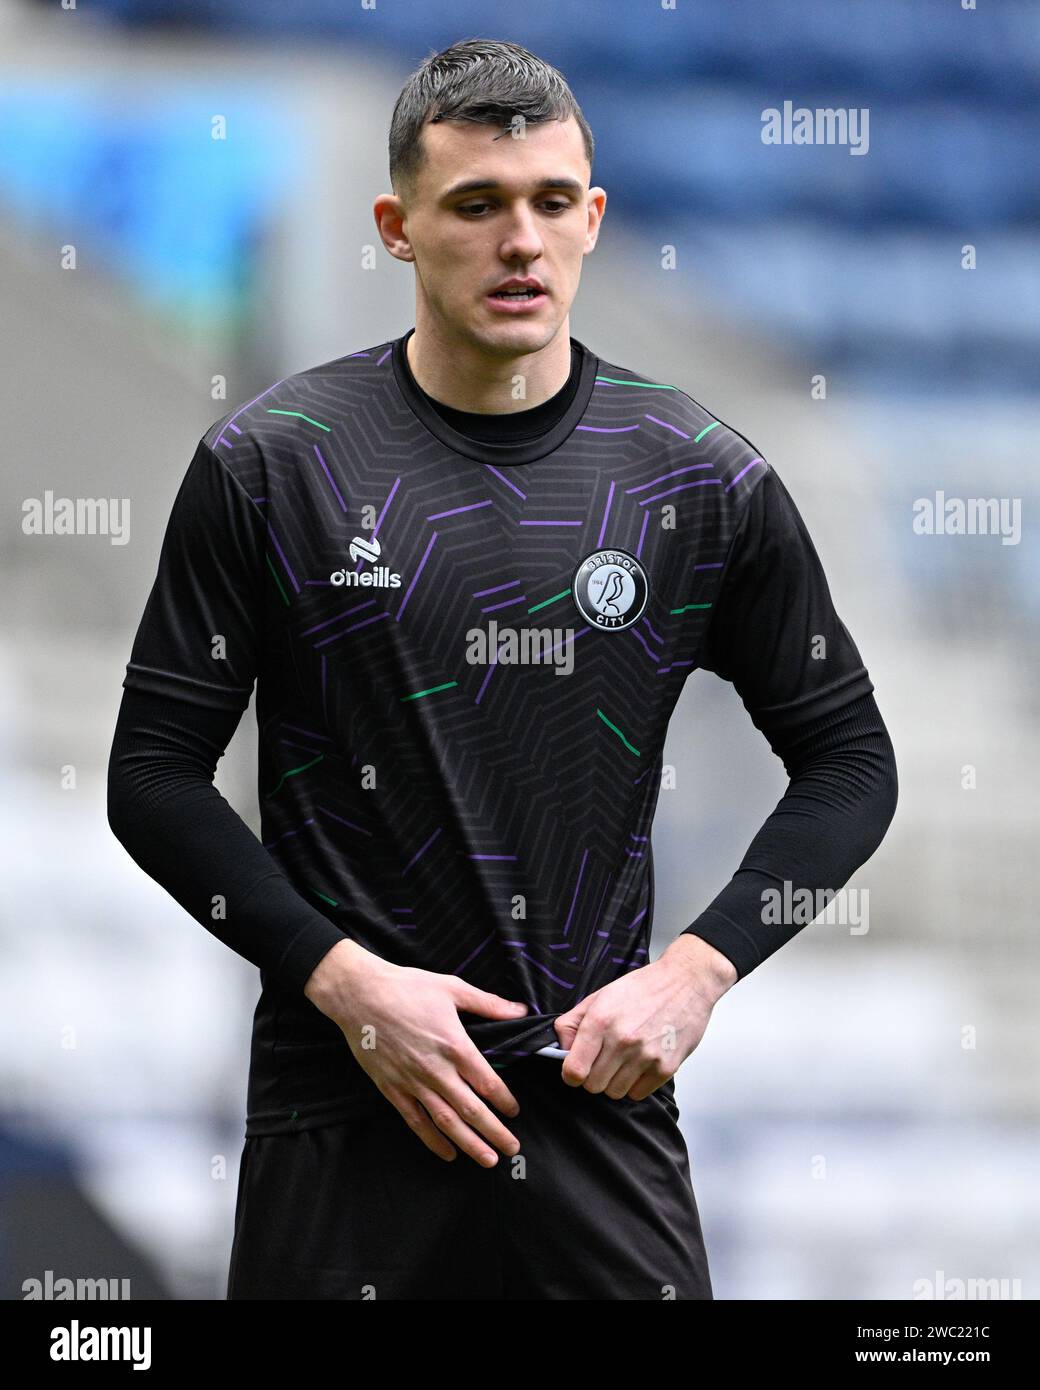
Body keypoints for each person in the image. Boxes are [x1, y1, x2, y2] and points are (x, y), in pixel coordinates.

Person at [107, 38, 898, 1301]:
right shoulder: (275, 463)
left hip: (592, 1110)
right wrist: (344, 982)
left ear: (592, 220)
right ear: (398, 228)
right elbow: (150, 777)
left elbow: (850, 764)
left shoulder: (696, 475)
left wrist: (696, 973)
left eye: (546, 203)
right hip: (343, 1108)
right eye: (475, 204)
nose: (518, 240)